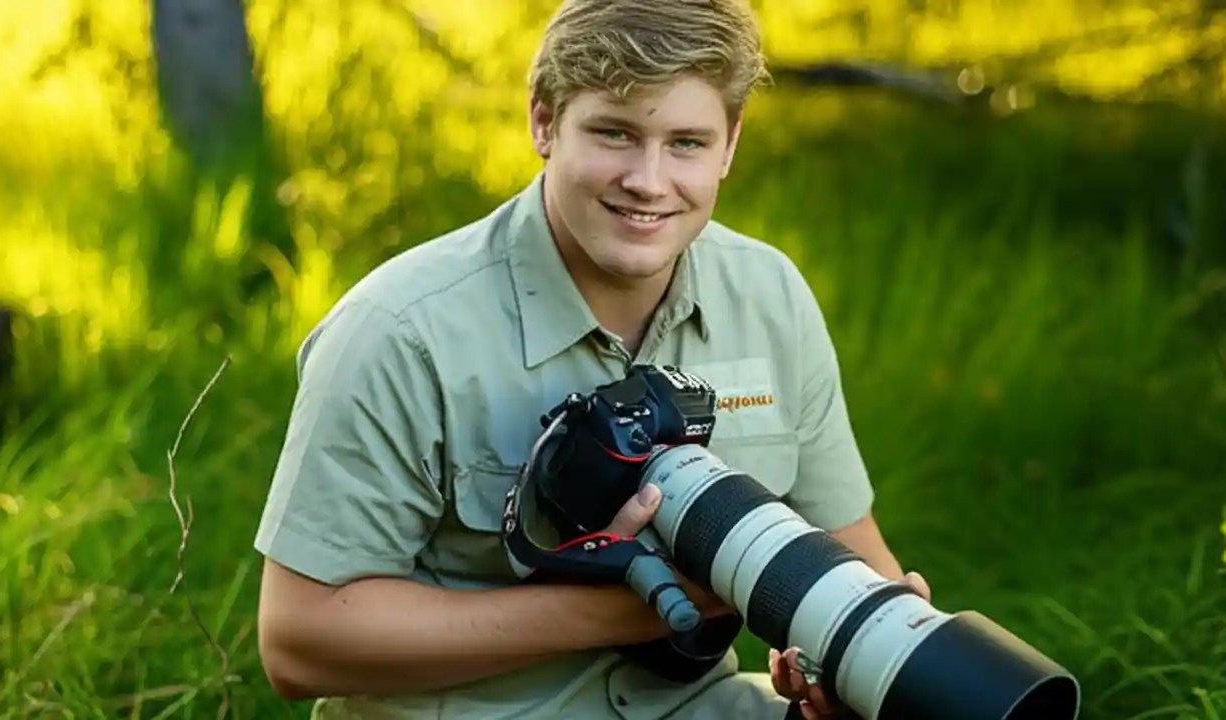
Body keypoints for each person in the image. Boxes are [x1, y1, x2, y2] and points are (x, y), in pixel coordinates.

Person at [253, 1, 931, 718]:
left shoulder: (769, 295)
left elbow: (849, 543)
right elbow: (300, 642)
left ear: (730, 144)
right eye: (615, 133)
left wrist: (864, 654)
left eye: (687, 143)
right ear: (544, 122)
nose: (647, 180)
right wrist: (632, 605)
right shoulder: (400, 332)